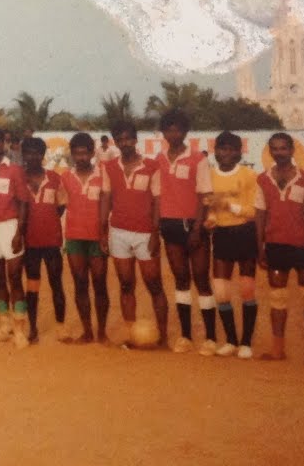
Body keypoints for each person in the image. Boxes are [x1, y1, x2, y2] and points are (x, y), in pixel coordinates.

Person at [154, 110, 218, 355]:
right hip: (170, 225)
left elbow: (205, 195)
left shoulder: (197, 159)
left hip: (193, 225)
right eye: (169, 129)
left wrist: (197, 228)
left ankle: (210, 338)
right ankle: (185, 336)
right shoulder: (159, 159)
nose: (173, 134)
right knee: (181, 279)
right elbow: (157, 194)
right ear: (163, 132)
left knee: (201, 279)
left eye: (178, 129)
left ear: (185, 131)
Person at [99, 120, 168, 350]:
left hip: (145, 233)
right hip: (119, 232)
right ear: (115, 142)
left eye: (129, 138)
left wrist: (155, 232)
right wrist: (103, 231)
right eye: (120, 139)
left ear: (136, 140)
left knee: (154, 284)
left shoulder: (151, 166)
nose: (125, 143)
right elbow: (106, 198)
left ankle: (163, 338)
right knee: (126, 285)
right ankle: (130, 335)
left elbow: (158, 200)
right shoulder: (109, 167)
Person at [255, 132, 304, 364]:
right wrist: (260, 247)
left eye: (283, 148)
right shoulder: (263, 179)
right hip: (275, 244)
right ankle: (277, 350)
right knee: (277, 297)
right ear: (270, 151)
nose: (279, 152)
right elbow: (260, 215)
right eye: (274, 148)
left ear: (292, 150)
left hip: (303, 244)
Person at [206, 131, 260, 359]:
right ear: (215, 151)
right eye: (222, 148)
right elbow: (210, 206)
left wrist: (230, 205)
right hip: (222, 235)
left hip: (245, 233)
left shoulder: (249, 175)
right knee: (220, 291)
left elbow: (254, 211)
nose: (226, 153)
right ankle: (230, 340)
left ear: (239, 153)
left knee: (247, 290)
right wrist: (211, 219)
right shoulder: (210, 176)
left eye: (232, 149)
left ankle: (246, 342)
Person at [0, 126, 31, 349]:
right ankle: (5, 325)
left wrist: (19, 232)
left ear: (4, 144)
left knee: (15, 277)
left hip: (10, 226)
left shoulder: (14, 169)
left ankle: (19, 330)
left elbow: (23, 202)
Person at [59, 133, 110, 344]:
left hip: (97, 237)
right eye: (77, 153)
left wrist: (104, 234)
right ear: (72, 154)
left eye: (85, 153)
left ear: (92, 153)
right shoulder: (65, 177)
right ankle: (87, 331)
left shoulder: (103, 174)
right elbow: (59, 206)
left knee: (99, 283)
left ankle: (102, 332)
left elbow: (109, 204)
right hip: (74, 237)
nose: (81, 157)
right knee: (80, 283)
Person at [20, 137, 66, 343]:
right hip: (30, 242)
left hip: (52, 241)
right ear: (24, 155)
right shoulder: (19, 179)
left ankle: (60, 327)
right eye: (28, 153)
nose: (33, 157)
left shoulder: (55, 178)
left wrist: (47, 221)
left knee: (56, 283)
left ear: (43, 155)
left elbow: (61, 206)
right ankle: (33, 328)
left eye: (37, 153)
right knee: (32, 286)